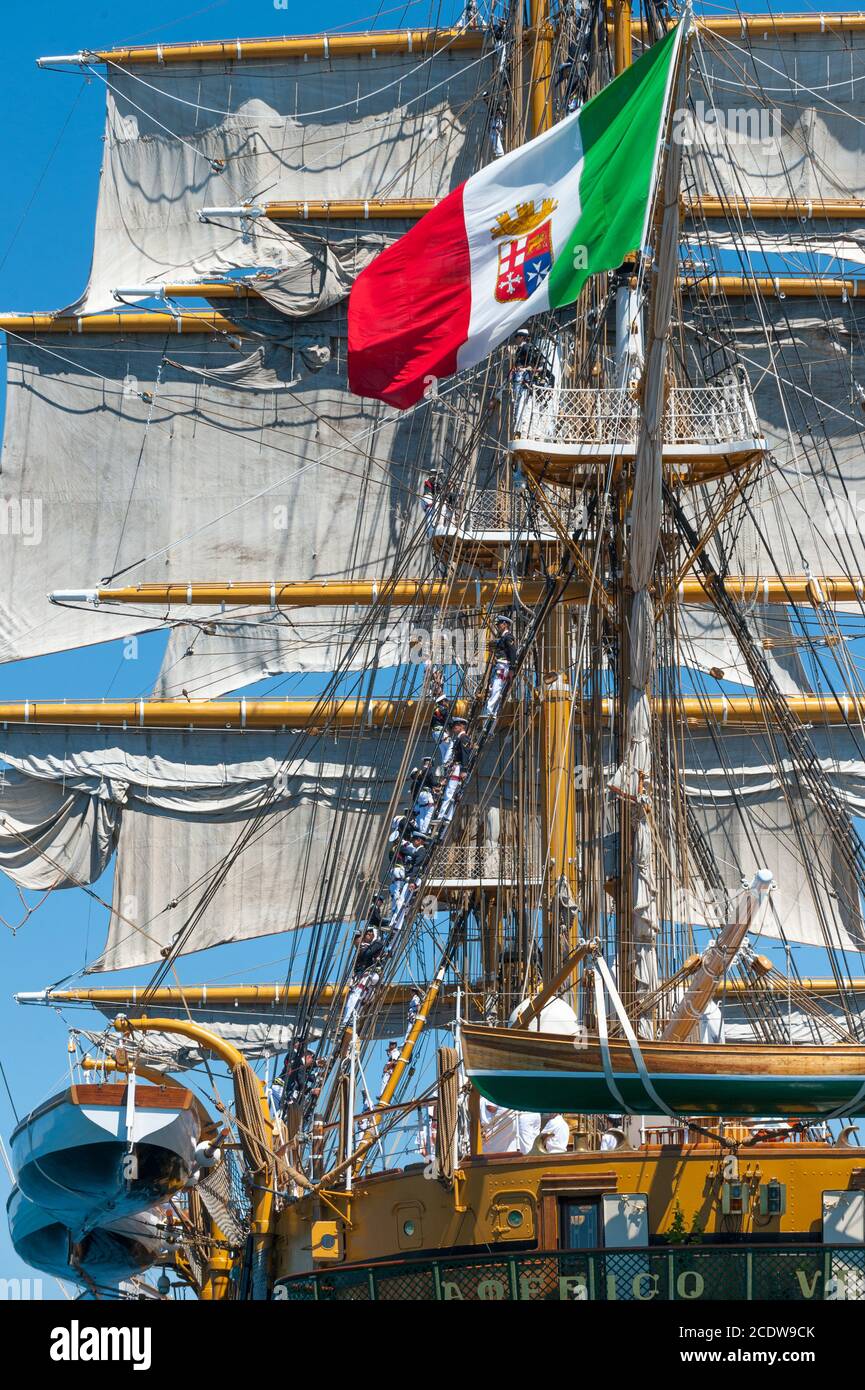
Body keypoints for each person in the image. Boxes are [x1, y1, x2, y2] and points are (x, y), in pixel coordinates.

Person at [436, 715, 473, 828]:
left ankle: (442, 816)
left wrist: (464, 770)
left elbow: (465, 755)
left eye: (455, 726)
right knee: (452, 794)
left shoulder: (463, 738)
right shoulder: (459, 738)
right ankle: (448, 816)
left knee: (450, 792)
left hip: (458, 769)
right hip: (455, 768)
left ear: (461, 726)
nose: (453, 728)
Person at [483, 614, 517, 719]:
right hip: (500, 666)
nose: (498, 626)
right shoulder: (503, 637)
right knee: (496, 687)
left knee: (497, 687)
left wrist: (512, 668)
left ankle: (490, 711)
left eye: (499, 624)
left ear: (505, 624)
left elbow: (512, 653)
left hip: (504, 667)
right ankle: (493, 711)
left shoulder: (508, 637)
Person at [410, 757, 437, 834]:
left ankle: (422, 830)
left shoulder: (420, 774)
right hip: (426, 794)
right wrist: (439, 784)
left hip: (420, 796)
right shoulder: (428, 771)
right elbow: (432, 783)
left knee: (422, 814)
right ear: (429, 763)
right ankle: (425, 830)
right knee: (429, 813)